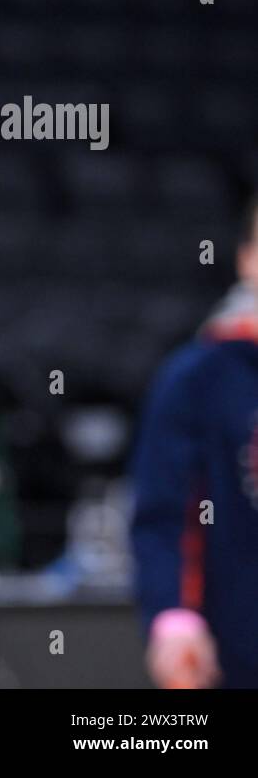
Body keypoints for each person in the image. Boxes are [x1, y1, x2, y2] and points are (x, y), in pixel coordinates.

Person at [130, 192, 258, 688]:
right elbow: (164, 511)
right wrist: (174, 618)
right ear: (246, 258)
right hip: (235, 651)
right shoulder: (198, 377)